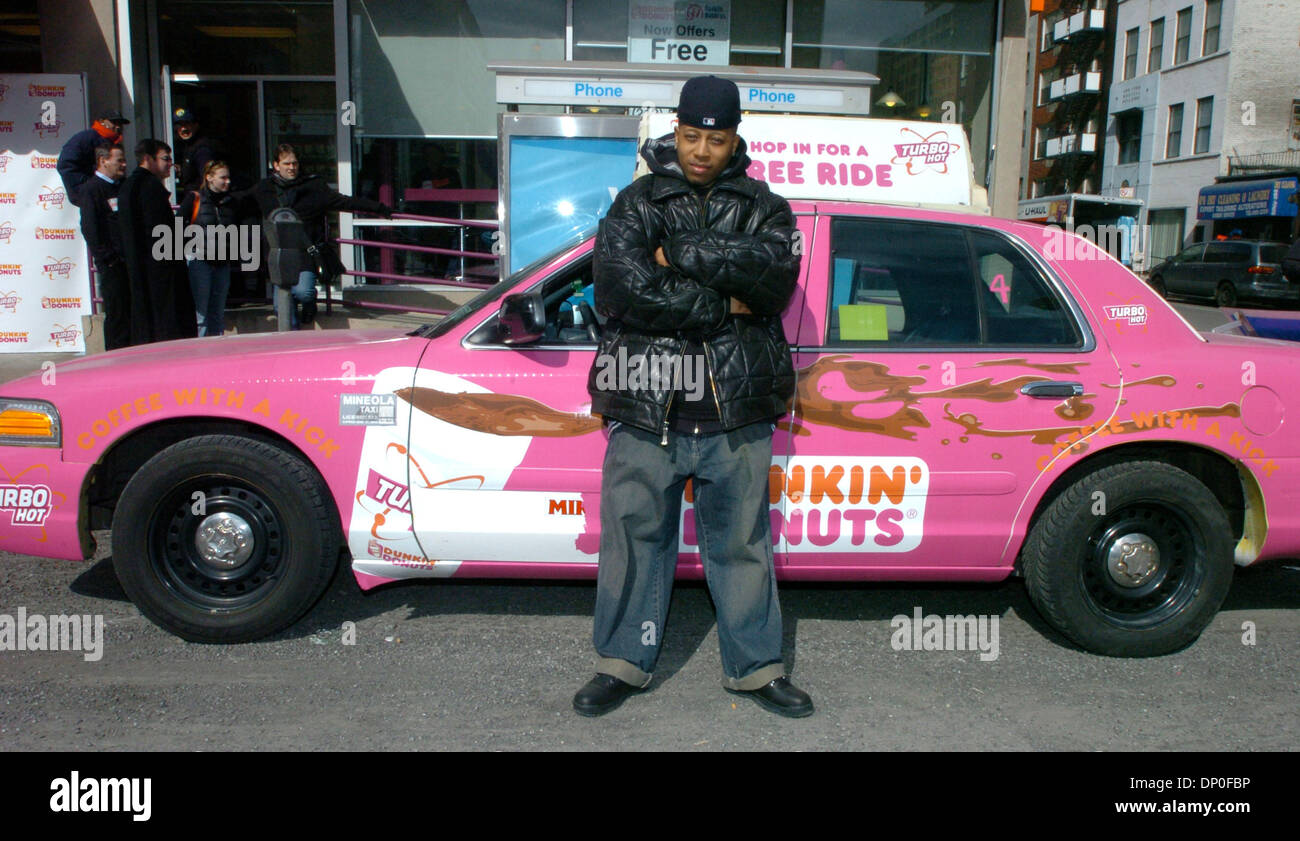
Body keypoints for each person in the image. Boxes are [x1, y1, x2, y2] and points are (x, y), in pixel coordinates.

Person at [574, 76, 810, 718]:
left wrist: (677, 251)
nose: (702, 150)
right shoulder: (635, 201)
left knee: (742, 542)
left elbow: (773, 281)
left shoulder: (767, 205)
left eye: (716, 137)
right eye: (691, 136)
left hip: (736, 409)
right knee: (633, 539)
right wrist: (721, 299)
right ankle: (621, 662)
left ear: (736, 138)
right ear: (675, 132)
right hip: (647, 402)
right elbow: (622, 292)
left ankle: (757, 669)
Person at [238, 143, 393, 329]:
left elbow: (344, 201)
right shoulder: (264, 189)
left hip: (306, 252)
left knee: (303, 292)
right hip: (279, 254)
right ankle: (292, 342)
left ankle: (309, 304)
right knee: (282, 308)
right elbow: (239, 201)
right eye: (286, 164)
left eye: (294, 163)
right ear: (276, 165)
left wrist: (380, 208)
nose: (291, 168)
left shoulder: (313, 186)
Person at [118, 139, 199, 344]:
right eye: (165, 158)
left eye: (171, 159)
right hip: (160, 272)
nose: (170, 164)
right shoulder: (148, 188)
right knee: (166, 326)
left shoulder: (132, 186)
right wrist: (187, 210)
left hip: (143, 269)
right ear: (148, 159)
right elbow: (162, 233)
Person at [77, 143, 131, 350]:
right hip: (112, 264)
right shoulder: (92, 190)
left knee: (131, 312)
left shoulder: (123, 186)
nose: (124, 165)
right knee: (117, 313)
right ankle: (116, 356)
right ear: (103, 161)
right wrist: (108, 258)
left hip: (129, 261)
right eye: (120, 160)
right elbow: (90, 228)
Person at [177, 161, 238, 336]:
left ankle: (216, 354)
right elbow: (178, 226)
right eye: (223, 178)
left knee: (218, 313)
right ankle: (200, 353)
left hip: (222, 263)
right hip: (200, 261)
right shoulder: (195, 199)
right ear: (209, 177)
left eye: (228, 177)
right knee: (201, 314)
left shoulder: (230, 202)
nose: (227, 182)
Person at [57, 110, 129, 207]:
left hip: (109, 195)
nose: (118, 126)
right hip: (93, 197)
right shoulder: (86, 137)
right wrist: (86, 187)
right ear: (102, 121)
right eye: (114, 122)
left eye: (120, 124)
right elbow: (65, 164)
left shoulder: (113, 142)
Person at [172, 108, 226, 193]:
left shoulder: (202, 149)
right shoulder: (185, 146)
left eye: (187, 124)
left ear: (196, 125)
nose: (183, 129)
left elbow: (207, 180)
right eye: (179, 125)